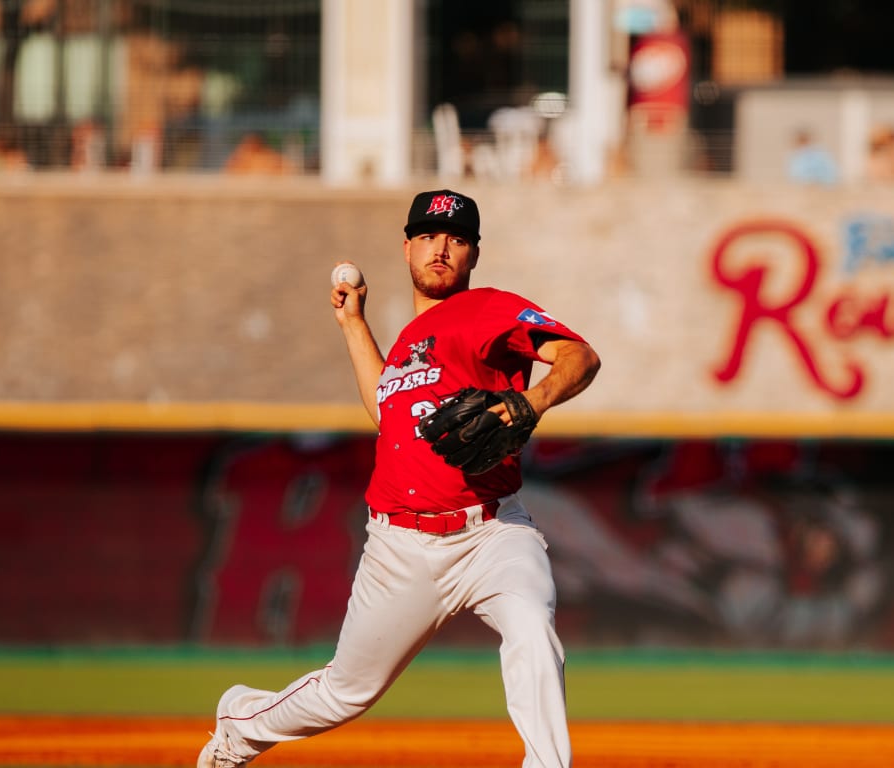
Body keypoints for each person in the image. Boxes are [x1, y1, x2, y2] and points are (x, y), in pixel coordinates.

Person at [197, 189, 601, 768]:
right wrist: (353, 322)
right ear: (407, 246)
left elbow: (579, 358)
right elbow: (386, 414)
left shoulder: (491, 308)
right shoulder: (411, 343)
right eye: (430, 236)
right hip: (400, 546)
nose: (442, 249)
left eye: (458, 240)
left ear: (474, 256)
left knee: (532, 627)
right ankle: (239, 723)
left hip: (492, 533)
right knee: (346, 693)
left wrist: (532, 402)